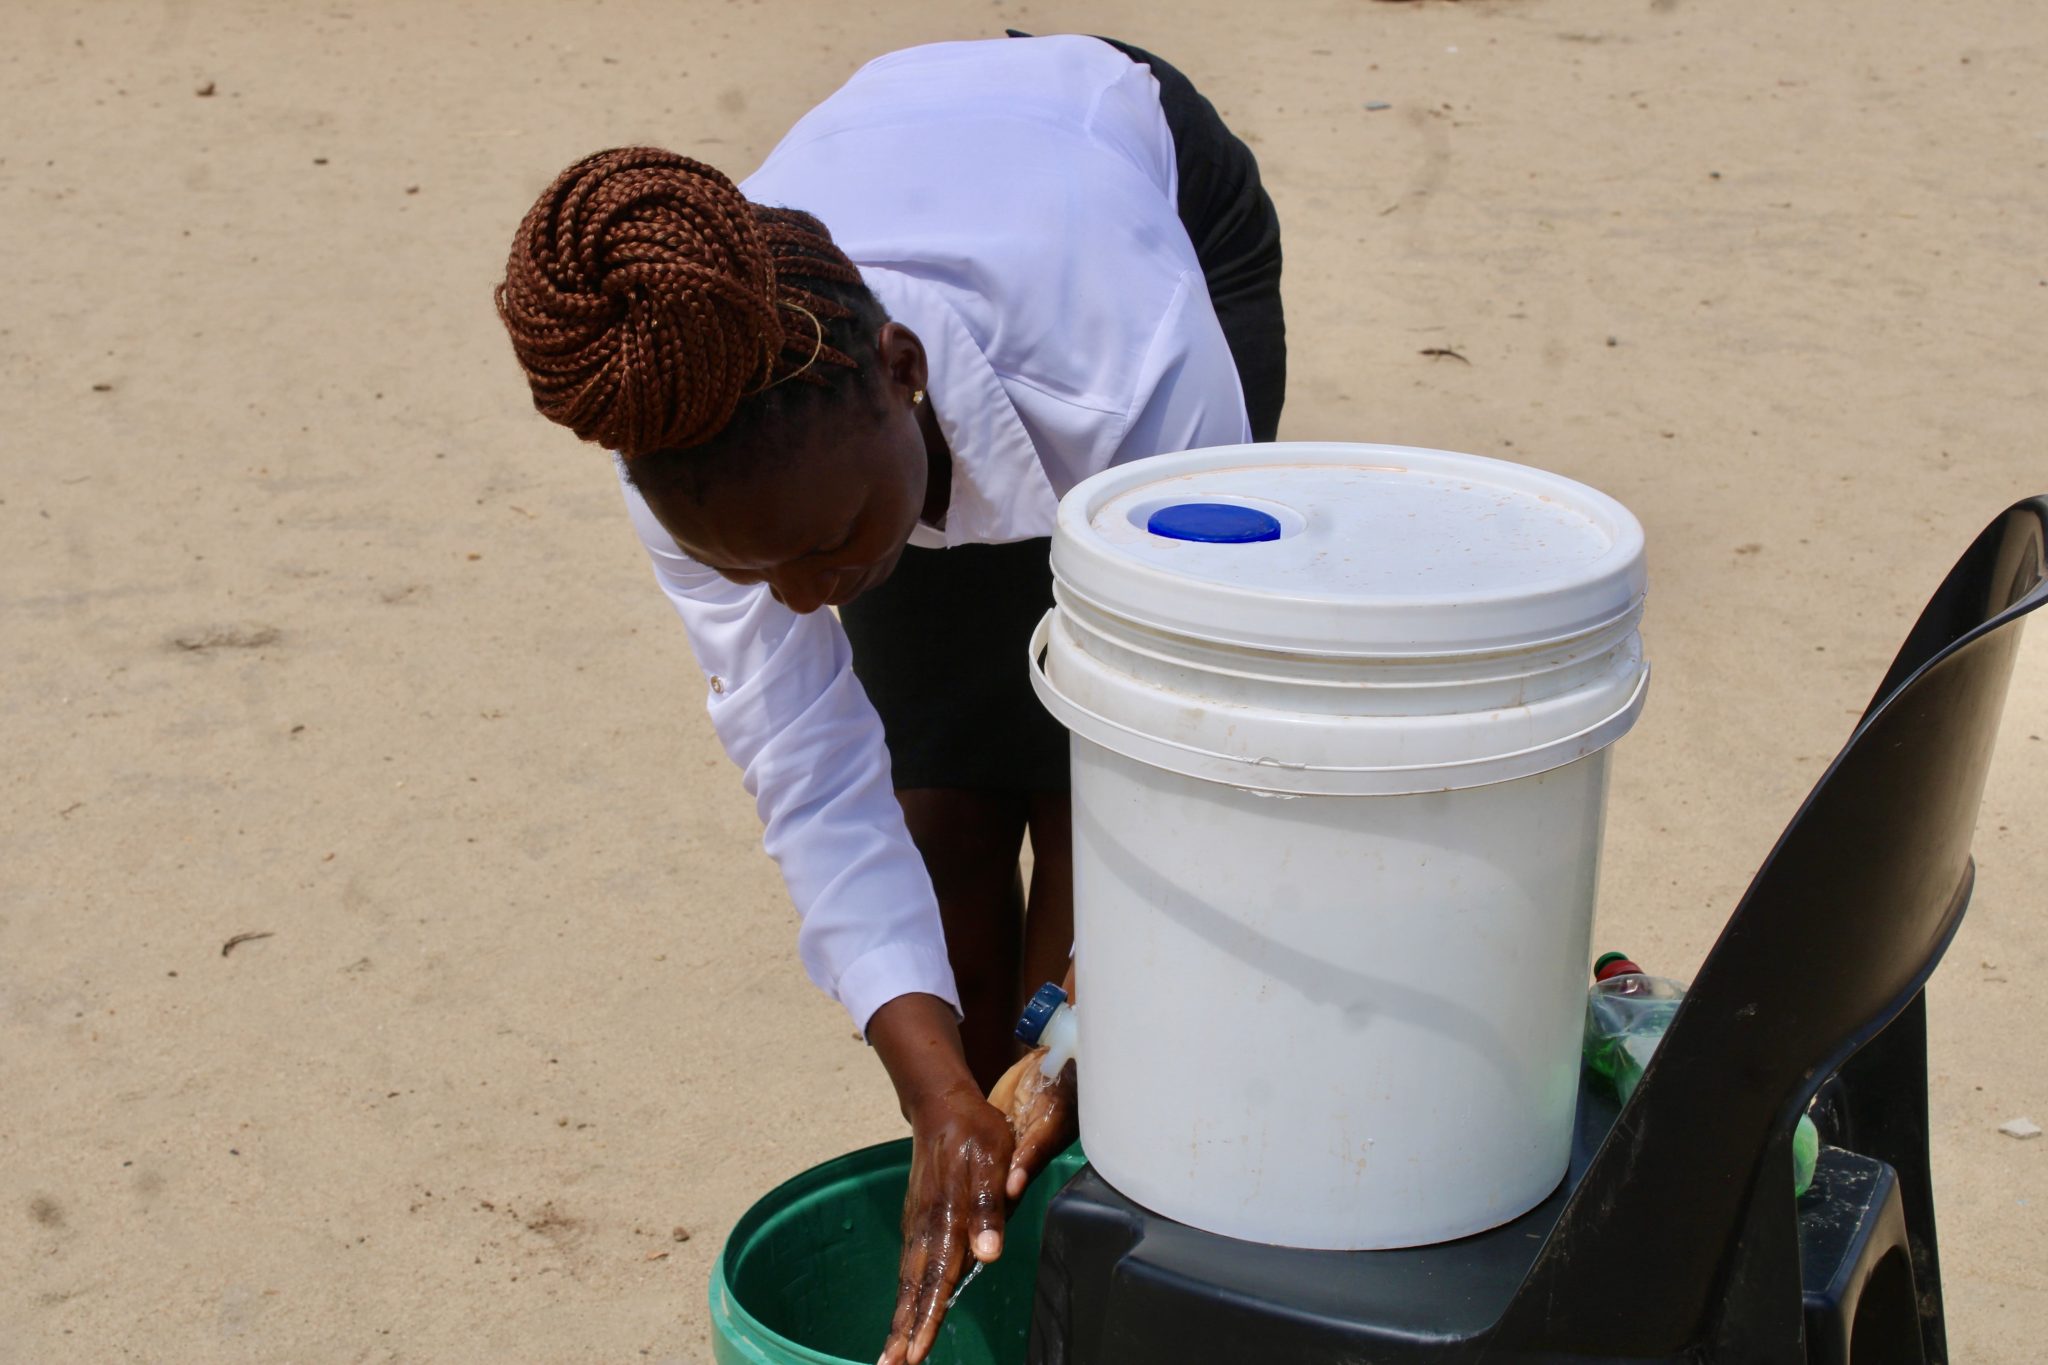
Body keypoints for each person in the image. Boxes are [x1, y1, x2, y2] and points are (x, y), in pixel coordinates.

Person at [495, 33, 1282, 1364]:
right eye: (764, 571)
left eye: (833, 549)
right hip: (864, 355)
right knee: (943, 810)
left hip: (1137, 212)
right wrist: (940, 1098)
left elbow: (1176, 727)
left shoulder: (1121, 352)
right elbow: (809, 769)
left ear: (905, 375)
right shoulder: (699, 452)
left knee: (1074, 790)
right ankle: (991, 1177)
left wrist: (1081, 1025)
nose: (810, 598)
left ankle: (1076, 1197)